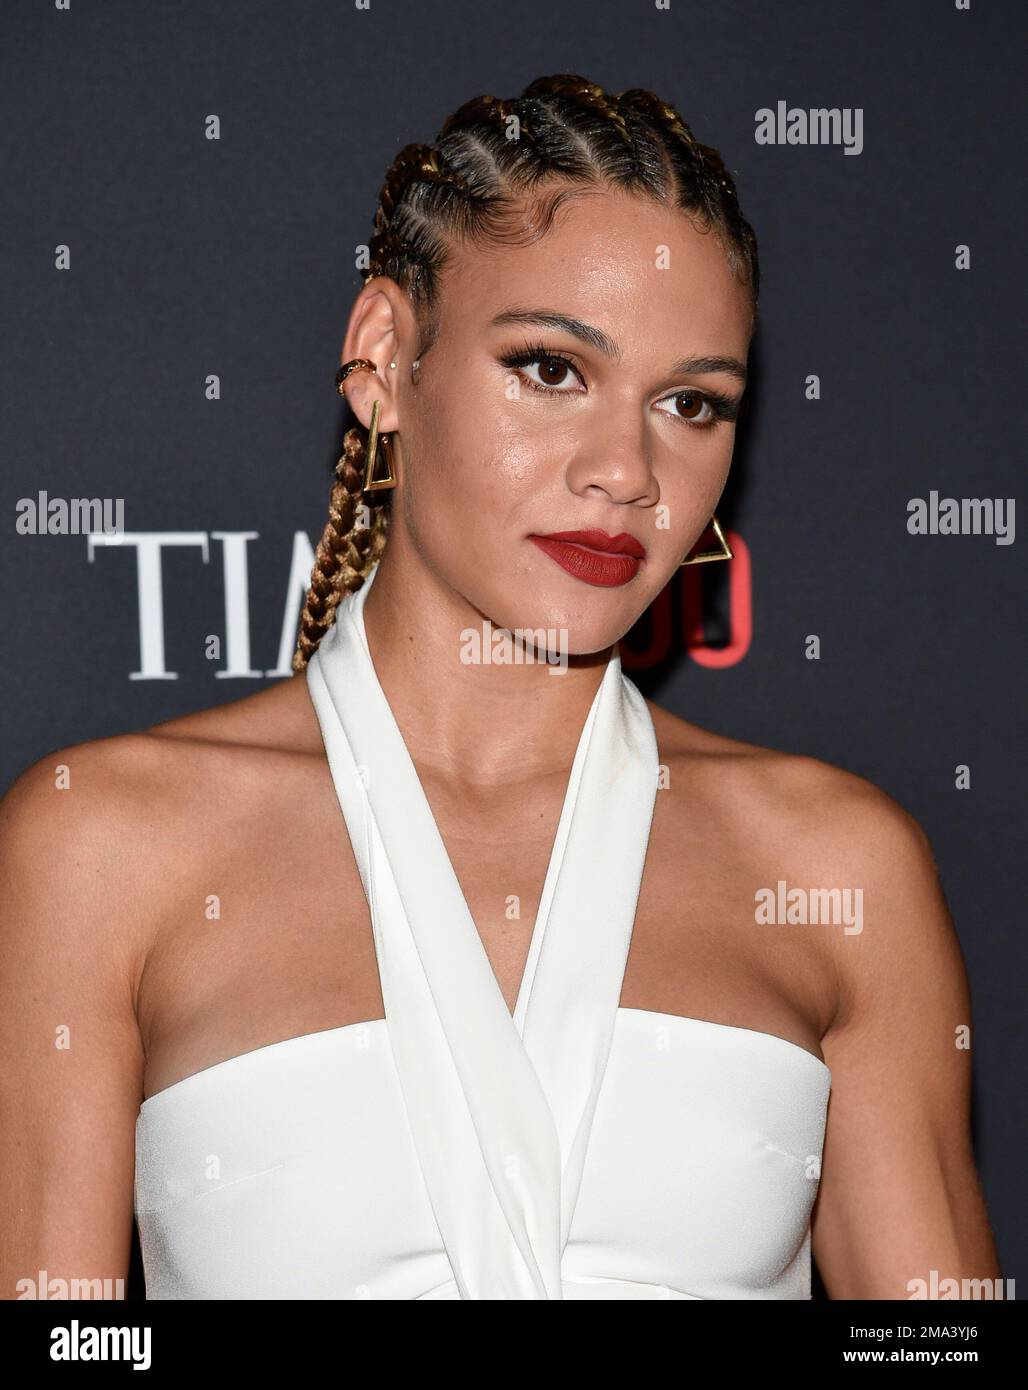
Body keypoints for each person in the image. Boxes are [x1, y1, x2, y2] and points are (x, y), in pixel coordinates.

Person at [0, 74, 1000, 1300]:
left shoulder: (839, 864)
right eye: (549, 369)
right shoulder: (101, 842)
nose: (625, 471)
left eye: (690, 403)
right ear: (381, 357)